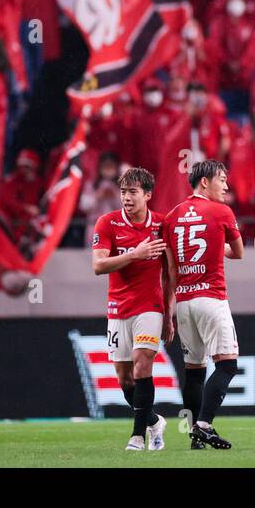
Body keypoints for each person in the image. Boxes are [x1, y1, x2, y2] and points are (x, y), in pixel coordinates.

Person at [90, 166, 172, 452]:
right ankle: (153, 420)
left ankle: (137, 436)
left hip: (150, 307)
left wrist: (168, 313)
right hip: (117, 308)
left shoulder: (162, 225)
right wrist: (135, 255)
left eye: (133, 192)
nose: (127, 197)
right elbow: (98, 266)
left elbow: (169, 274)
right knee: (125, 379)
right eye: (124, 192)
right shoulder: (107, 223)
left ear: (147, 195)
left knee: (142, 362)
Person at [163, 160, 243, 450]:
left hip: (184, 303)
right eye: (222, 179)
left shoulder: (172, 216)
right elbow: (238, 252)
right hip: (211, 298)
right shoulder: (221, 211)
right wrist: (214, 243)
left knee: (194, 371)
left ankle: (194, 438)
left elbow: (170, 271)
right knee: (228, 365)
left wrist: (167, 312)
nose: (226, 186)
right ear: (205, 182)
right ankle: (204, 424)